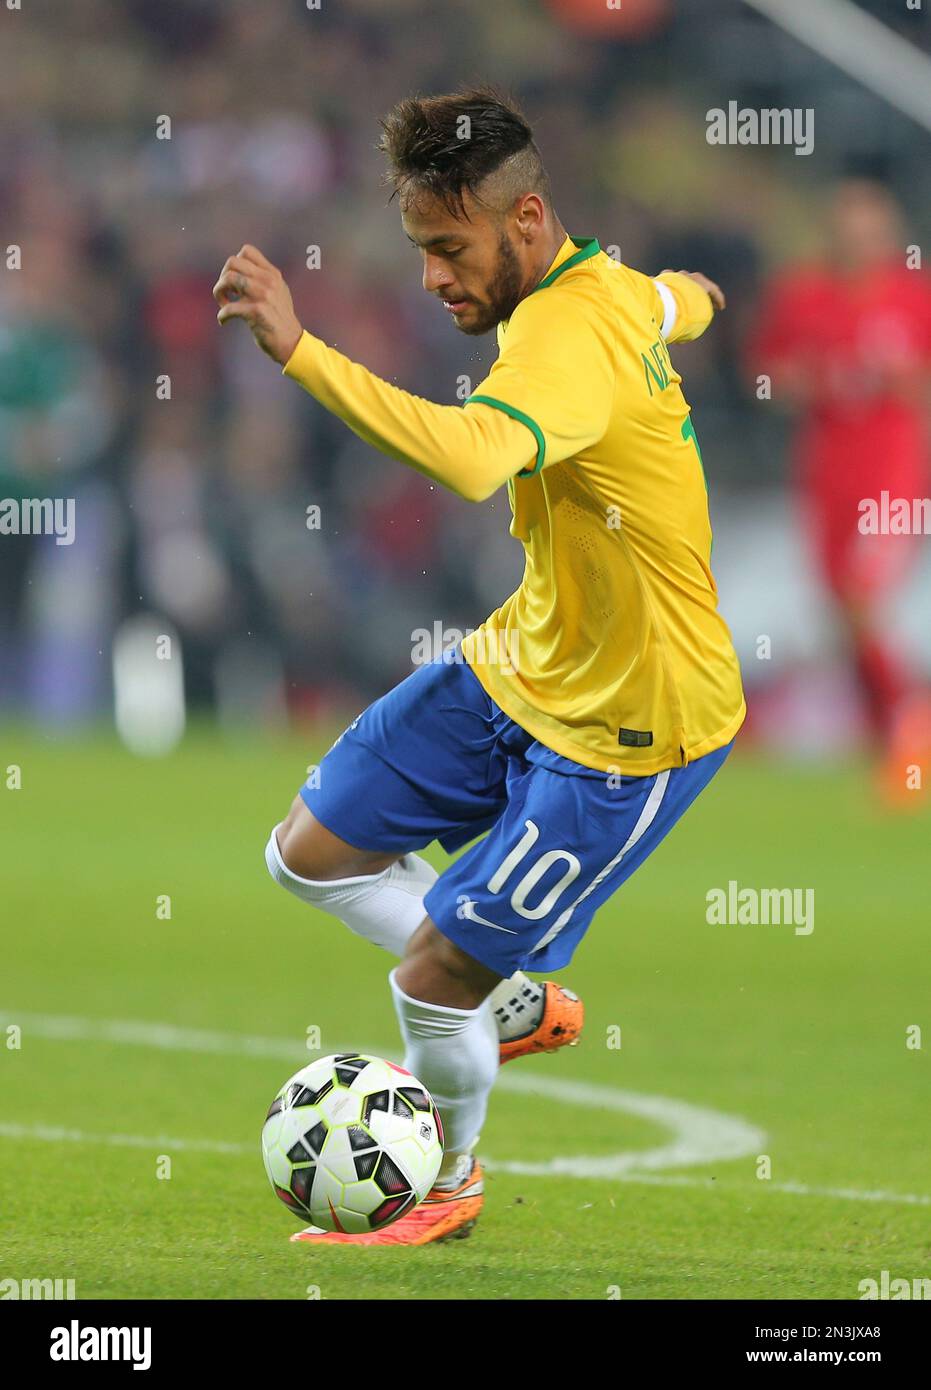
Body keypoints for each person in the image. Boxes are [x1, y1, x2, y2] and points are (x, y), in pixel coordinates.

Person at [213, 86, 745, 1245]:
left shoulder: (563, 330)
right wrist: (696, 301)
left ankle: (446, 1182)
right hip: (527, 658)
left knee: (427, 977)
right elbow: (669, 303)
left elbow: (470, 458)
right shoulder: (599, 287)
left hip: (633, 721)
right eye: (418, 250)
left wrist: (300, 351)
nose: (431, 278)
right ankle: (505, 996)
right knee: (307, 853)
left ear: (524, 219)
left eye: (446, 250)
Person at [750, 179, 931, 803]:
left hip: (892, 475)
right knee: (839, 610)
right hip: (826, 472)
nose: (859, 241)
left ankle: (911, 728)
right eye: (848, 229)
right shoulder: (804, 296)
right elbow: (765, 374)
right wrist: (803, 379)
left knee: (860, 597)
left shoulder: (915, 297)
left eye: (870, 230)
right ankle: (890, 744)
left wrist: (905, 384)